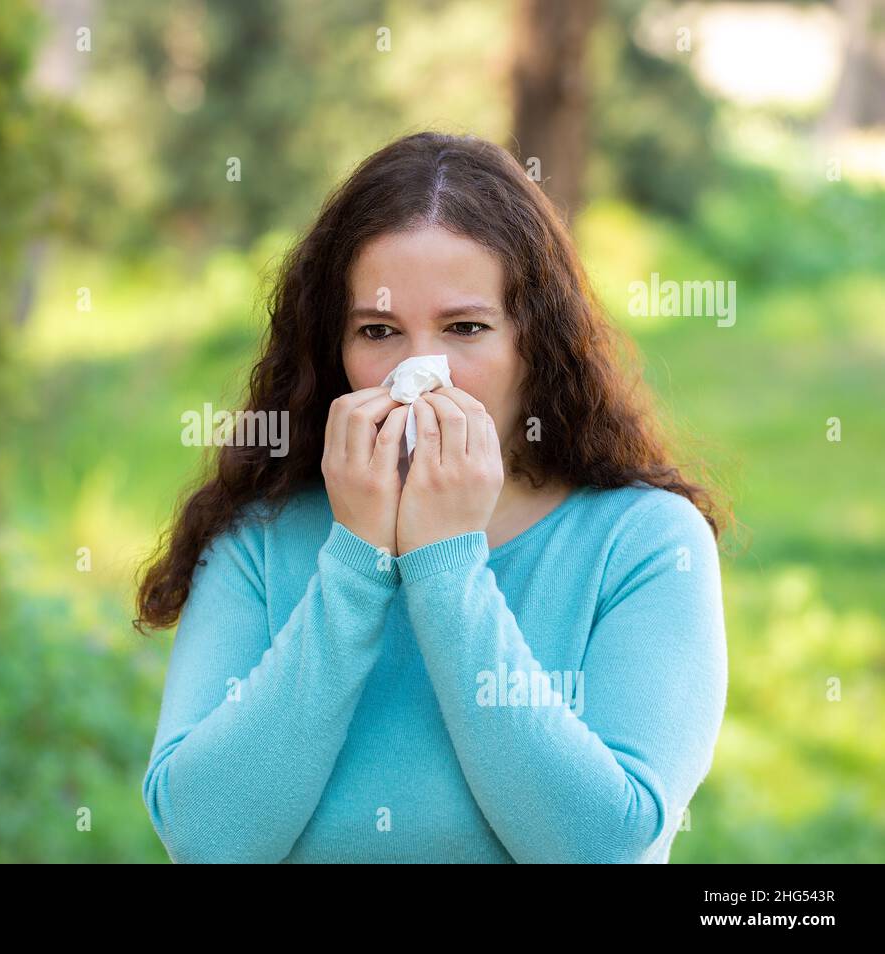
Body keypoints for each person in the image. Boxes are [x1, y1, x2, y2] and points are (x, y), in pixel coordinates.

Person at [134, 131, 731, 863]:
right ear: (336, 349)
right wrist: (355, 564)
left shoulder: (644, 542)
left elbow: (602, 845)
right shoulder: (259, 535)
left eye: (465, 328)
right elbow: (206, 837)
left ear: (534, 343)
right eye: (379, 330)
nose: (422, 373)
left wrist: (446, 569)